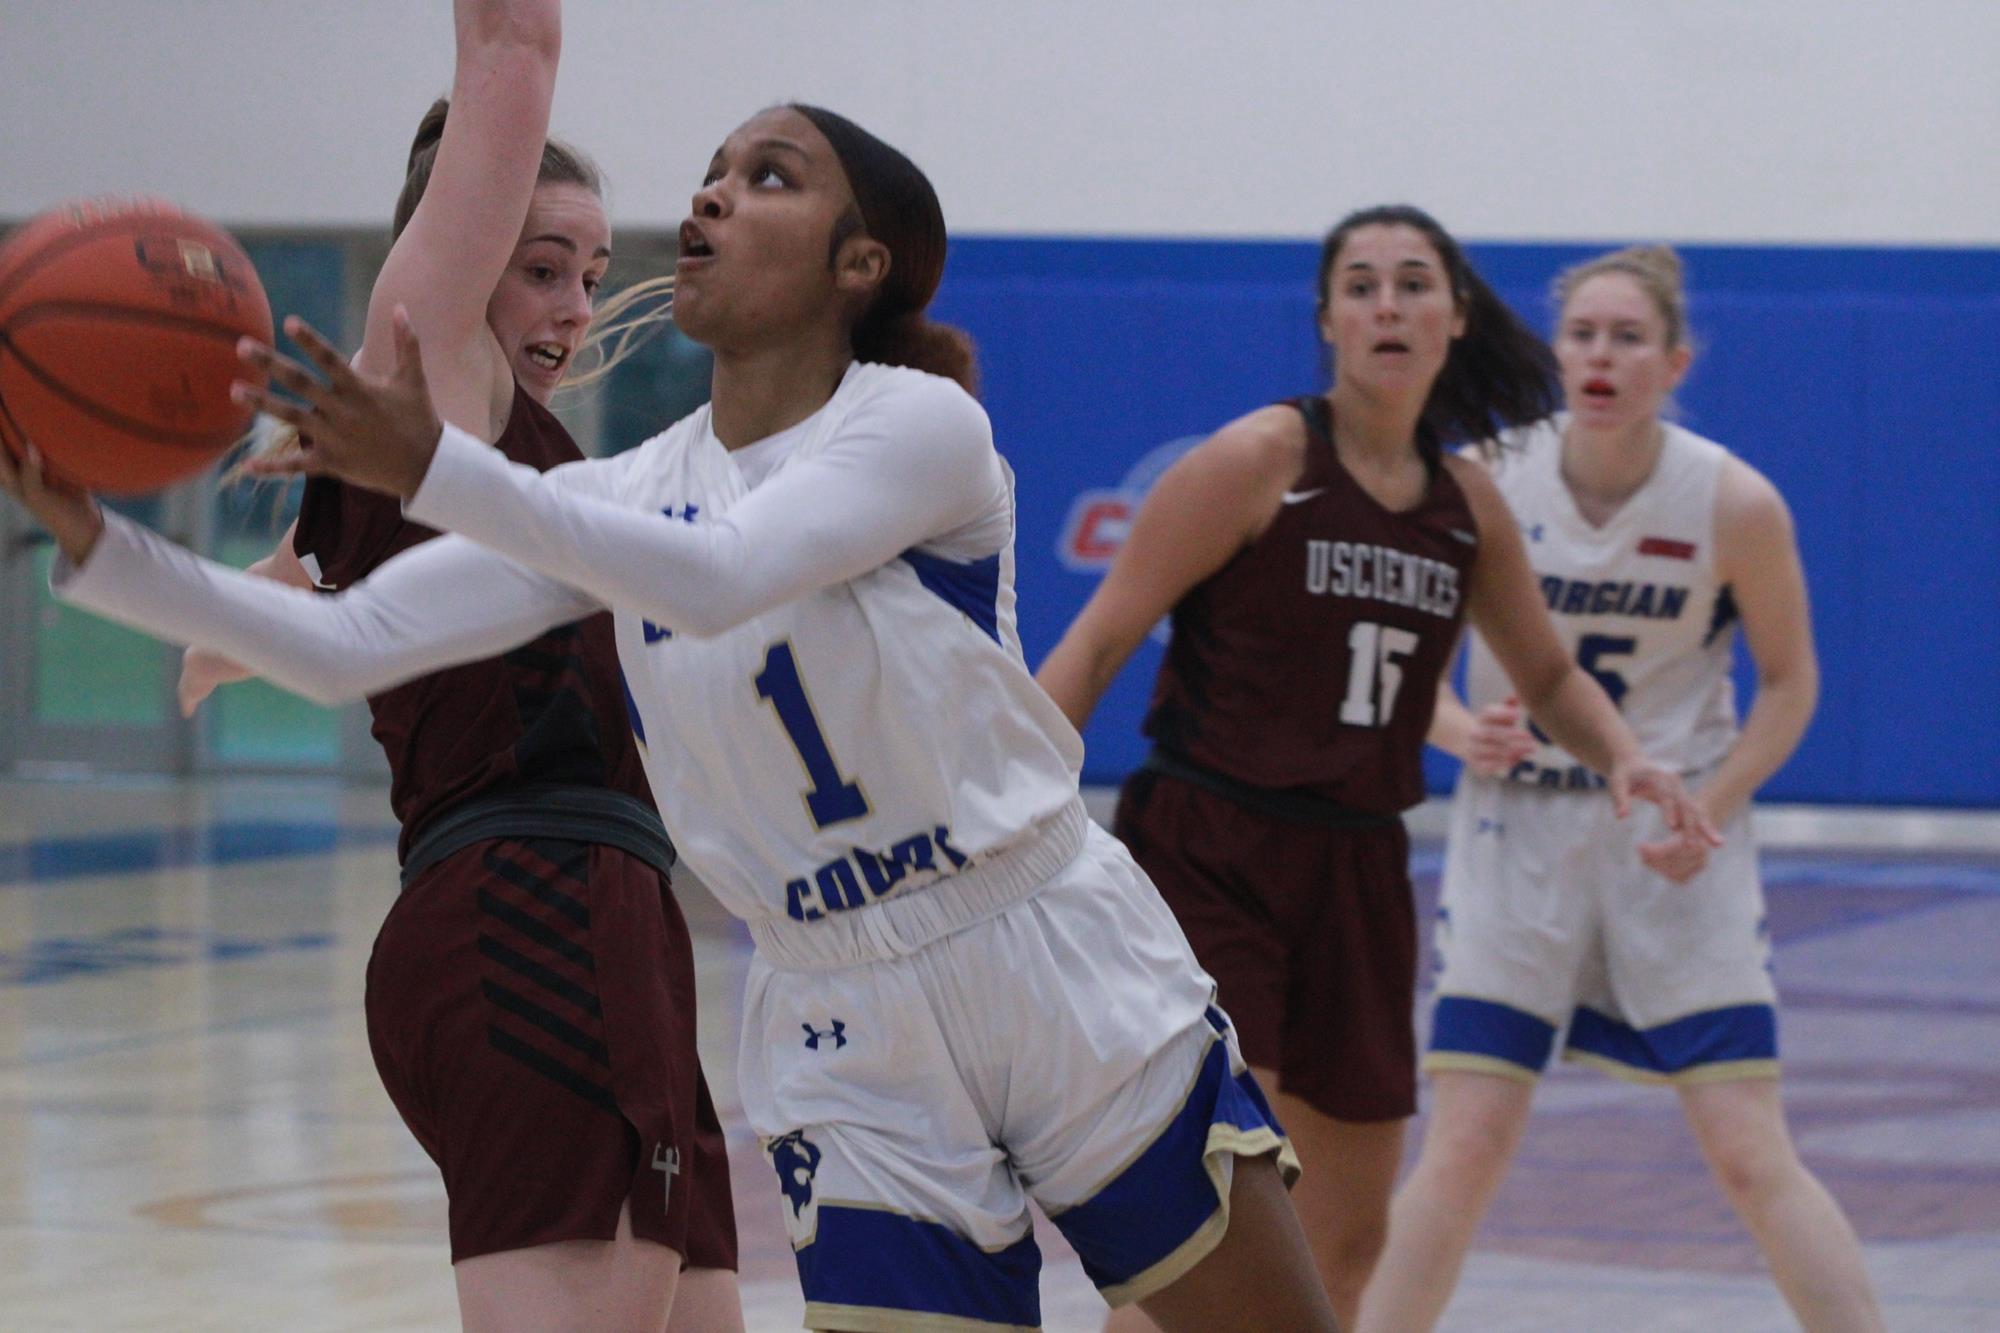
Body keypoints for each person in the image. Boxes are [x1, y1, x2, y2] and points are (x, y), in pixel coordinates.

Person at [10, 104, 1349, 1332]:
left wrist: (426, 461)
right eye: (709, 173)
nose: (710, 196)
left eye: (767, 176)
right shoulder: (630, 485)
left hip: (1041, 948)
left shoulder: (918, 426)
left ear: (857, 265)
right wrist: (100, 544)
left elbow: (721, 575)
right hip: (838, 1010)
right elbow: (346, 639)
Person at [89, 5, 738, 1329]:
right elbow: (514, 55)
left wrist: (220, 638)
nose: (569, 305)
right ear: (458, 267)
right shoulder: (449, 382)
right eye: (538, 266)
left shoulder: (471, 478)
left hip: (593, 915)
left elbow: (256, 617)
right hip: (538, 906)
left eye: (590, 272)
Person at [1034, 205, 1719, 1329]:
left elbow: (1545, 677)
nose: (1386, 304)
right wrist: (1012, 814)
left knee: (1347, 1234)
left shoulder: (1465, 507)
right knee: (1204, 1208)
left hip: (1358, 868)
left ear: (1451, 318)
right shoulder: (1260, 457)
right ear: (1328, 321)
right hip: (1210, 848)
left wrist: (1629, 760)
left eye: (1412, 284)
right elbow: (1102, 635)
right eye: (1361, 285)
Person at [1356, 245, 1884, 1333]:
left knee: (1746, 1149)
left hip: (1669, 834)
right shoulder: (1487, 475)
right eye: (1584, 335)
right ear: (1559, 353)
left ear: (1671, 359)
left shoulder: (1733, 500)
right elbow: (1409, 654)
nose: (1601, 356)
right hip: (1516, 839)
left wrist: (1717, 806)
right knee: (1462, 1146)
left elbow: (1789, 684)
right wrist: (1462, 731)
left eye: (1626, 338)